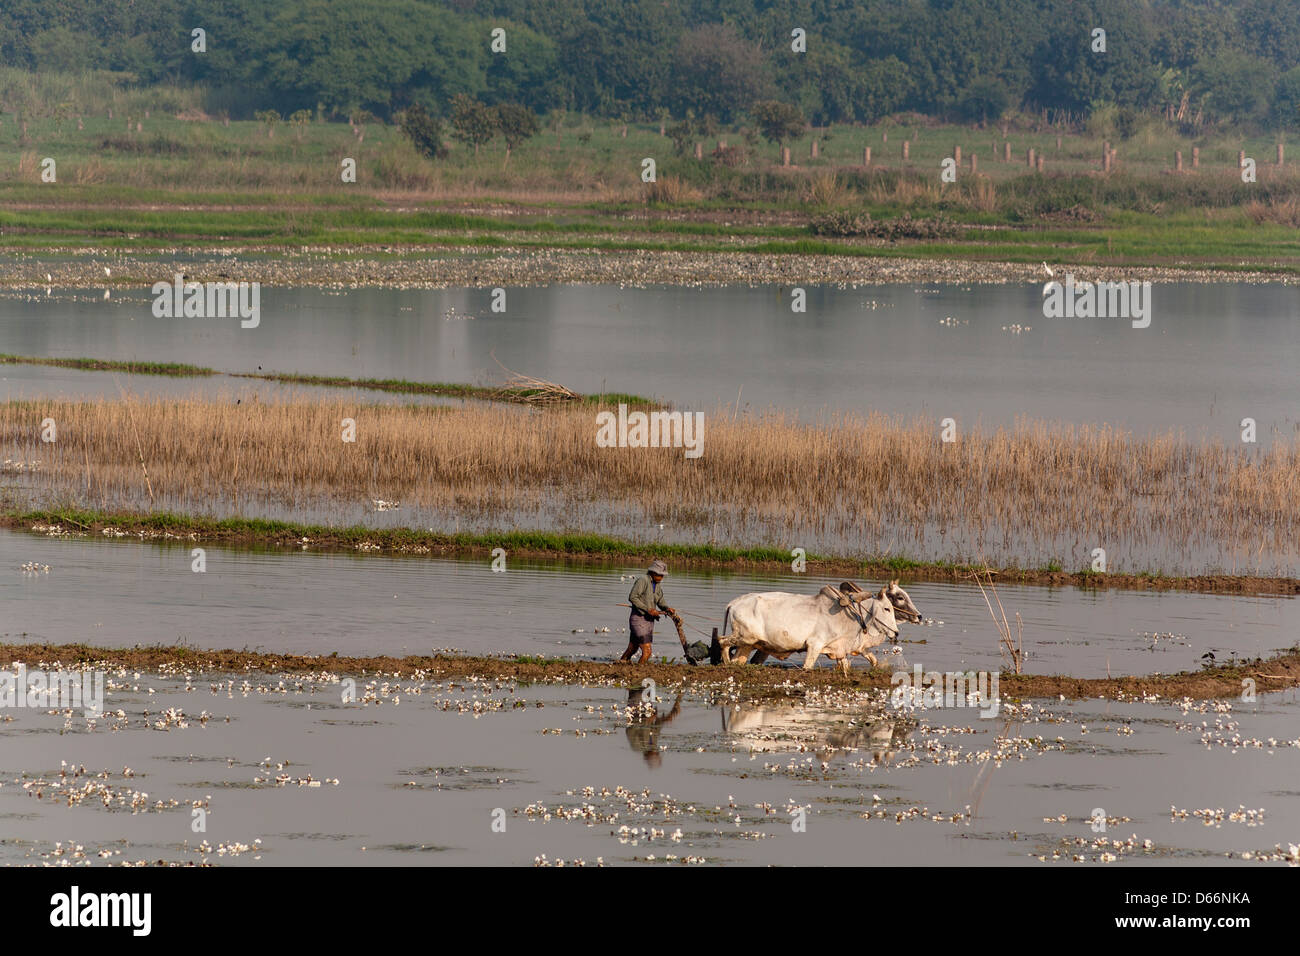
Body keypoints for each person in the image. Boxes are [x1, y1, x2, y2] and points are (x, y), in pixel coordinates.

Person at [620, 559, 674, 664]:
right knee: (647, 652)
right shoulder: (643, 580)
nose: (661, 578)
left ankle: (620, 664)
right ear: (653, 572)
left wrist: (667, 609)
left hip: (649, 622)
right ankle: (638, 672)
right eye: (660, 575)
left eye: (663, 575)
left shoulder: (657, 584)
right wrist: (648, 609)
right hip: (639, 619)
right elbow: (632, 597)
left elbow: (660, 601)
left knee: (632, 648)